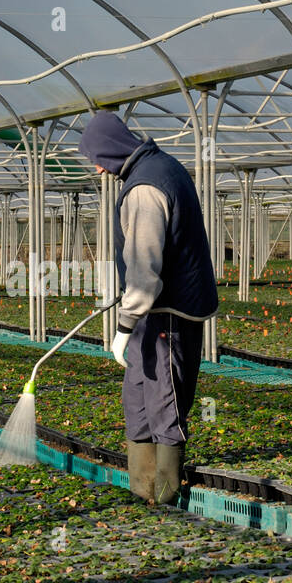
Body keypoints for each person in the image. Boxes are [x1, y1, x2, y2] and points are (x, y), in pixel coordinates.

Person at [78, 111, 218, 505]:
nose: (99, 170)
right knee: (138, 392)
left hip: (169, 310)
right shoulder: (159, 166)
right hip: (153, 309)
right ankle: (142, 486)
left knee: (164, 395)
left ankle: (165, 490)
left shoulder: (145, 187)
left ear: (109, 149)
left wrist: (124, 325)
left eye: (98, 160)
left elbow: (145, 266)